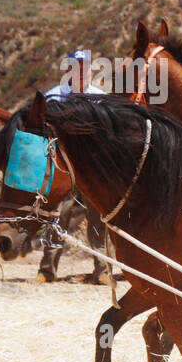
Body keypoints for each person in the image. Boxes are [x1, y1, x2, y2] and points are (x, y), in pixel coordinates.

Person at [40, 49, 109, 283]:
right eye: (75, 67)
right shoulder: (54, 97)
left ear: (91, 70)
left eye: (85, 67)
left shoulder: (100, 98)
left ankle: (102, 271)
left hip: (91, 168)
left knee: (98, 216)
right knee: (57, 214)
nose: (80, 71)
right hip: (63, 168)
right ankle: (47, 270)